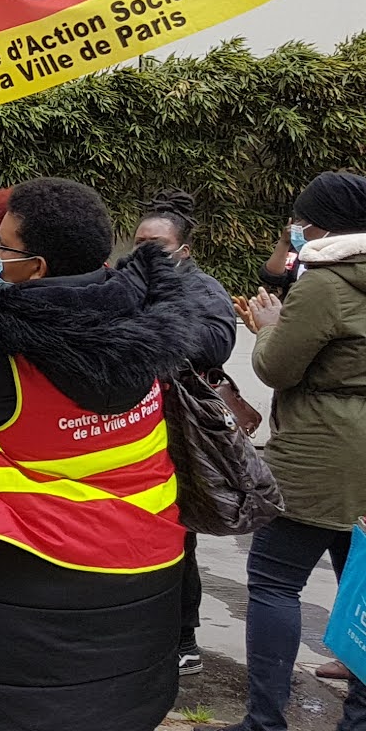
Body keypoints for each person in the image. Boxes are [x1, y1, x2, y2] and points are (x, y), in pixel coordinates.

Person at [0, 177, 205, 731]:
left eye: (4, 247)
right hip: (142, 570)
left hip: (21, 584)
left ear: (35, 267)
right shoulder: (146, 320)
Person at [231, 171, 366, 731]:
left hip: (320, 449)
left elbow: (276, 366)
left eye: (302, 220)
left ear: (322, 223)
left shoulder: (325, 282)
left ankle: (265, 720)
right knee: (360, 587)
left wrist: (267, 326)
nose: (297, 230)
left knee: (274, 581)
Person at [133, 189, 241, 676]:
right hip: (130, 422)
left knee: (177, 533)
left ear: (183, 250)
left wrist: (159, 316)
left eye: (156, 244)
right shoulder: (125, 281)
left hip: (179, 425)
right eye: (138, 242)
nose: (145, 252)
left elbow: (216, 343)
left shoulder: (203, 290)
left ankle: (183, 638)